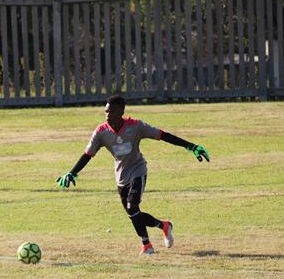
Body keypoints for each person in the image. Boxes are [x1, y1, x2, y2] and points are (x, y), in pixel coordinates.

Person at [56, 95, 210, 256]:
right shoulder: (101, 132)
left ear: (121, 111)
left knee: (132, 206)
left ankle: (147, 245)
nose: (107, 115)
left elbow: (163, 135)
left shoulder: (136, 126)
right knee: (133, 213)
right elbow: (87, 155)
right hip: (121, 176)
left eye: (111, 111)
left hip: (138, 170)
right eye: (106, 112)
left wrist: (191, 147)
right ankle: (163, 226)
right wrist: (72, 172)